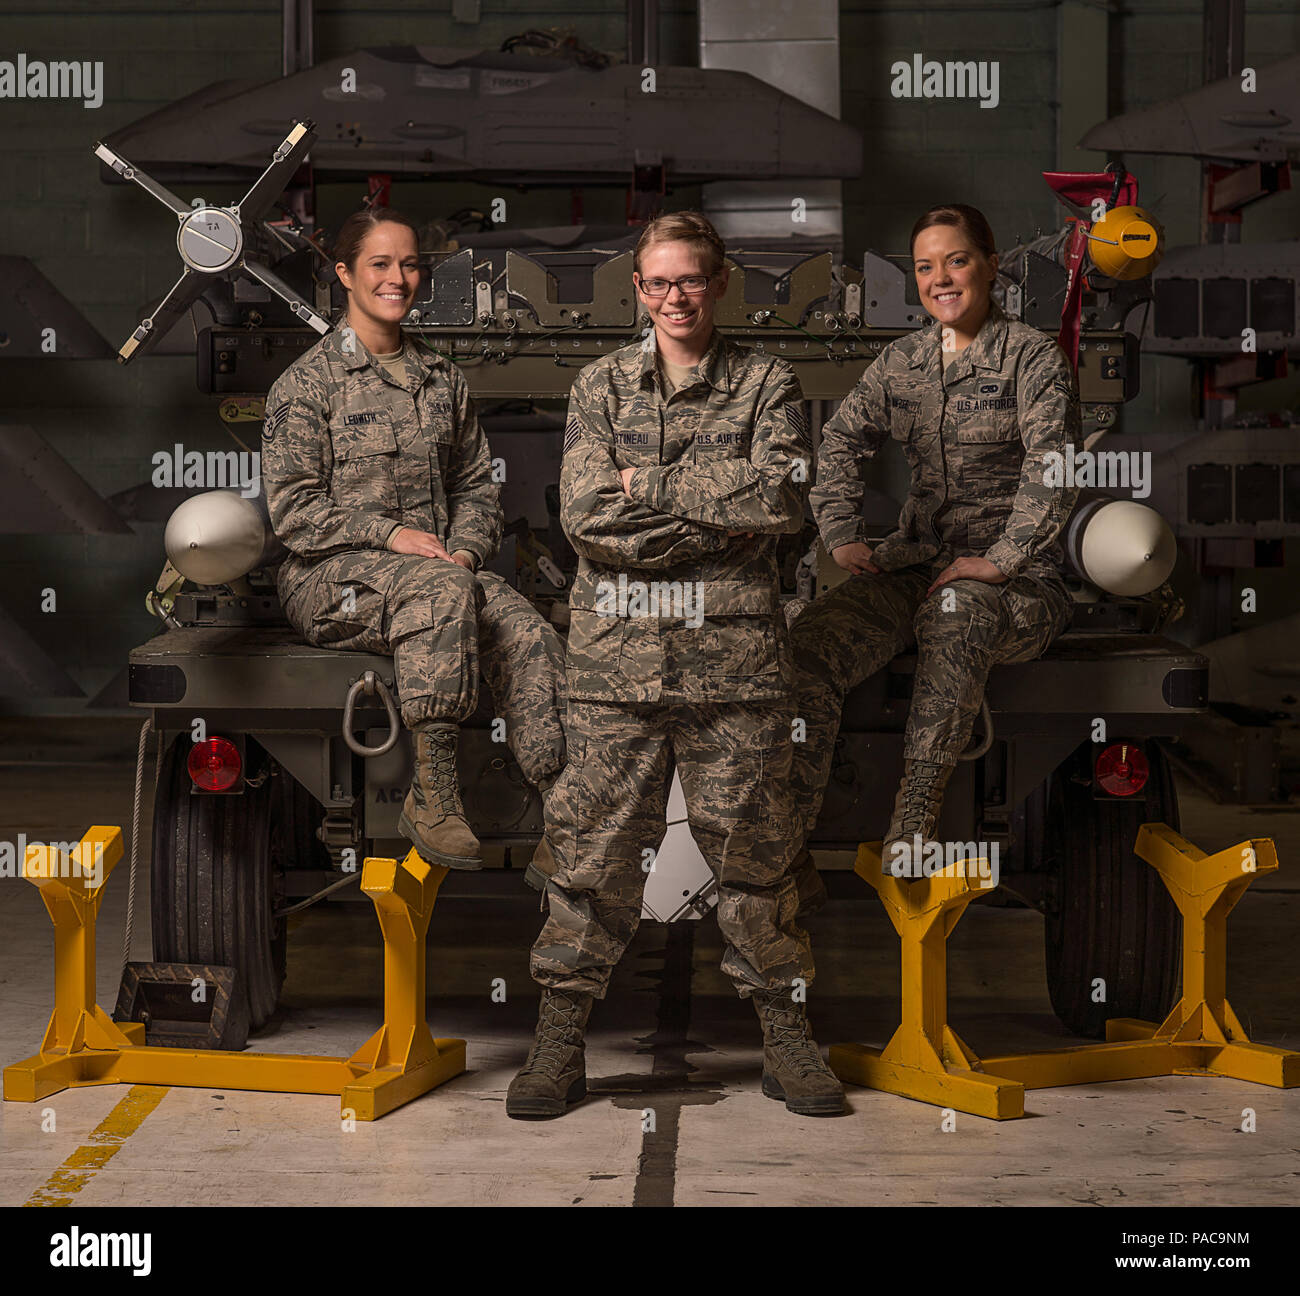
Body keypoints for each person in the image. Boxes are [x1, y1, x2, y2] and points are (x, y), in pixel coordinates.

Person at [507, 211, 844, 1120]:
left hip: (733, 668)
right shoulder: (602, 385)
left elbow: (779, 498)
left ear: (719, 281)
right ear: (639, 291)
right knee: (589, 859)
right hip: (615, 667)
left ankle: (787, 1038)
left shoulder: (768, 380)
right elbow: (583, 517)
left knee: (757, 861)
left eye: (689, 280)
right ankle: (557, 1046)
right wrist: (710, 527)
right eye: (656, 284)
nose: (673, 298)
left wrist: (647, 488)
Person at [261, 207, 566, 871]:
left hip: (437, 576)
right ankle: (433, 794)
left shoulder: (442, 381)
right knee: (438, 589)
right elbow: (293, 512)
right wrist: (391, 534)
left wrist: (463, 553)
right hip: (329, 583)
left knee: (529, 629)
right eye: (380, 263)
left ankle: (563, 812)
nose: (397, 277)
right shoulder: (307, 386)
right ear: (344, 274)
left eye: (409, 264)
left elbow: (478, 491)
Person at [788, 203, 1080, 873]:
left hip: (1021, 584)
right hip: (918, 564)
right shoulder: (904, 362)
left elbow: (1054, 466)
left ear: (990, 265)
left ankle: (914, 821)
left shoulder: (1032, 359)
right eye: (925, 266)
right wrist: (839, 533)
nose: (940, 278)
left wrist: (1001, 561)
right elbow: (838, 441)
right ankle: (789, 838)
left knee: (956, 613)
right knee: (808, 645)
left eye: (956, 260)